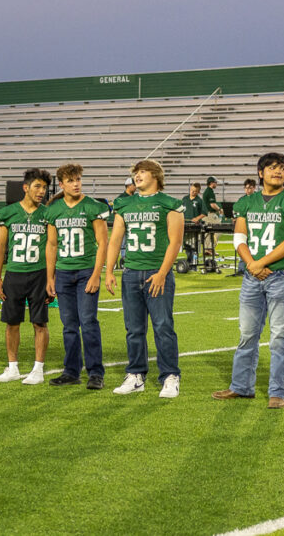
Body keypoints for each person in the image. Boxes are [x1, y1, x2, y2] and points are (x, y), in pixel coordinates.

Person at [213, 153, 284, 409]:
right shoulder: (247, 202)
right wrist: (251, 265)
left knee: (280, 335)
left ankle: (278, 392)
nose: (277, 172)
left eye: (282, 169)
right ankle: (241, 386)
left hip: (281, 275)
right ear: (261, 173)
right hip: (252, 276)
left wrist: (258, 264)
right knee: (247, 333)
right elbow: (239, 238)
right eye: (272, 168)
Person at [104, 159, 183, 397]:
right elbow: (116, 240)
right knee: (134, 329)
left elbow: (175, 242)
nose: (137, 176)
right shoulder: (124, 204)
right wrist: (108, 271)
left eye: (142, 172)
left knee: (163, 327)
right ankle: (136, 374)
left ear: (156, 175)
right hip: (131, 273)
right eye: (135, 173)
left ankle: (170, 376)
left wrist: (162, 273)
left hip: (156, 273)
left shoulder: (170, 204)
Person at [44, 163, 109, 389]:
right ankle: (71, 371)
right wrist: (50, 277)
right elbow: (51, 245)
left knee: (88, 322)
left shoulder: (92, 206)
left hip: (85, 271)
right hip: (63, 273)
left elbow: (103, 243)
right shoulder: (53, 209)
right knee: (69, 325)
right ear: (61, 184)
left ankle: (95, 372)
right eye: (71, 181)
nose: (76, 184)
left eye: (78, 179)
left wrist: (96, 274)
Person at [0, 168, 52, 385]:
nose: (42, 191)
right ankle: (13, 368)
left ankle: (38, 369)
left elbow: (52, 247)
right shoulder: (8, 212)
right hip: (14, 273)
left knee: (40, 322)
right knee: (12, 322)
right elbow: (0, 248)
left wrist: (51, 278)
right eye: (37, 186)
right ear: (25, 187)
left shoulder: (47, 214)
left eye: (45, 188)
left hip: (39, 274)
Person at [181, 182, 208, 267]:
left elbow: (204, 213)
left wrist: (197, 218)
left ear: (198, 192)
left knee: (194, 246)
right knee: (186, 245)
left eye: (195, 191)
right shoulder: (184, 199)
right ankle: (189, 262)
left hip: (194, 227)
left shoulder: (199, 200)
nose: (192, 192)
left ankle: (193, 264)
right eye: (192, 190)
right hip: (185, 225)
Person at [113, 177, 136, 268]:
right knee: (123, 243)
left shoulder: (135, 197)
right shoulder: (121, 198)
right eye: (134, 185)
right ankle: (123, 260)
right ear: (129, 186)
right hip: (123, 223)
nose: (135, 187)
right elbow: (116, 210)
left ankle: (129, 259)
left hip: (132, 223)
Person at [203, 176, 223, 254]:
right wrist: (219, 209)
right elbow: (212, 205)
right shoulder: (210, 192)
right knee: (219, 229)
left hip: (206, 214)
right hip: (210, 214)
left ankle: (207, 249)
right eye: (215, 182)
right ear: (211, 183)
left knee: (208, 231)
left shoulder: (206, 191)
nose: (216, 184)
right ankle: (210, 248)